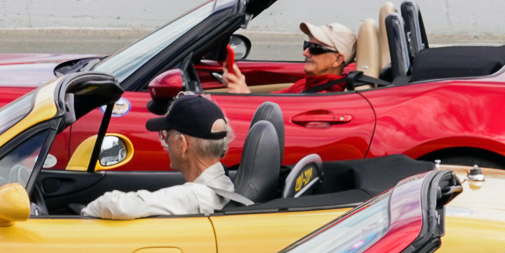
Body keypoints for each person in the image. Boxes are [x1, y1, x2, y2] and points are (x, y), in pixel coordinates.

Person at [83, 94, 239, 219]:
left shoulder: (195, 196)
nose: (165, 142)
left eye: (166, 135)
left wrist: (85, 213)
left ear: (182, 144)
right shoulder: (224, 184)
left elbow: (115, 206)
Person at [220, 22, 357, 96]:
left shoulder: (324, 96)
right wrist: (241, 85)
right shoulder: (310, 83)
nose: (305, 52)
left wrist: (244, 96)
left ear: (337, 60)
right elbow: (274, 100)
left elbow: (275, 116)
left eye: (316, 48)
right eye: (307, 45)